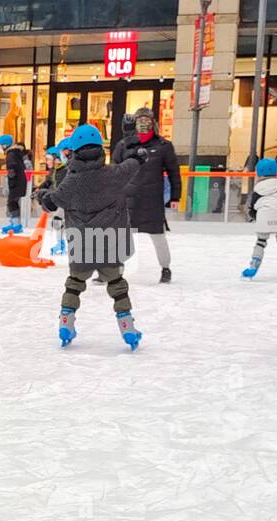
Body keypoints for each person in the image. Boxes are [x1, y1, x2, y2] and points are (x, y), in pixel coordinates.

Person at [40, 124, 148, 350]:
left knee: (74, 284)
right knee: (117, 286)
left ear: (75, 151)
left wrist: (43, 195)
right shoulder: (113, 174)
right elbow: (133, 164)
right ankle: (127, 328)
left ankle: (66, 324)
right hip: (110, 243)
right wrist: (138, 155)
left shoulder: (70, 182)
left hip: (82, 245)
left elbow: (51, 202)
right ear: (101, 149)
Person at [112, 106, 181, 283]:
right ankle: (115, 270)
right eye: (139, 120)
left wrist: (175, 197)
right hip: (128, 199)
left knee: (158, 236)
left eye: (147, 120)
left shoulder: (163, 146)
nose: (143, 124)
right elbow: (114, 171)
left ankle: (165, 268)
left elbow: (174, 172)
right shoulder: (123, 145)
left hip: (152, 200)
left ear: (153, 123)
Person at [240, 157, 277, 278]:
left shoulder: (257, 190)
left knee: (260, 242)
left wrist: (256, 217)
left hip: (264, 219)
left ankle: (254, 265)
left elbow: (251, 208)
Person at [33, 141, 70, 254]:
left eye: (49, 159)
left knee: (58, 221)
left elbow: (59, 188)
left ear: (57, 159)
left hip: (65, 200)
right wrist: (39, 189)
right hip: (59, 200)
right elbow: (49, 182)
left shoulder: (64, 171)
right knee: (58, 222)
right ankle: (61, 243)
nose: (47, 161)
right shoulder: (54, 171)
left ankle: (62, 244)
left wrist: (46, 193)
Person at [0, 133, 28, 233]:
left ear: (5, 145)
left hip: (16, 183)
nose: (0, 148)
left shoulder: (11, 154)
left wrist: (11, 173)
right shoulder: (15, 153)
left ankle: (16, 224)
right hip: (19, 182)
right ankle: (14, 222)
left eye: (0, 145)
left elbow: (12, 165)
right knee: (13, 202)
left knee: (11, 202)